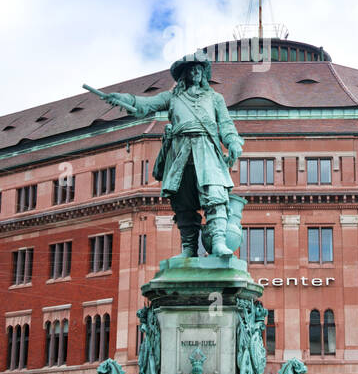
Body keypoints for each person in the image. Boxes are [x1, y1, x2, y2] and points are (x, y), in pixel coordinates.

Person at [84, 51, 242, 257]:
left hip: (207, 150)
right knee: (183, 201)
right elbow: (145, 104)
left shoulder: (215, 98)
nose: (195, 71)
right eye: (191, 69)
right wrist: (122, 98)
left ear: (204, 73)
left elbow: (226, 125)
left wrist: (233, 142)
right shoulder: (172, 98)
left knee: (215, 196)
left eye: (199, 68)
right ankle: (189, 249)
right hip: (180, 152)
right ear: (184, 74)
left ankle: (219, 242)